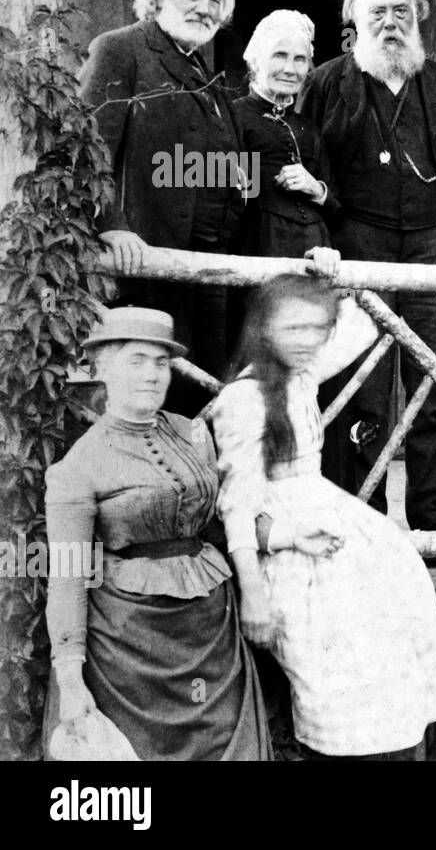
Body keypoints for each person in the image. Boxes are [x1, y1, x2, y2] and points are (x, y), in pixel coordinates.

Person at [211, 258, 436, 759]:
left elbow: (362, 322)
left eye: (315, 328)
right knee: (336, 663)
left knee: (390, 624)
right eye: (292, 328)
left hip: (329, 513)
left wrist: (334, 276)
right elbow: (236, 506)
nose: (306, 339)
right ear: (263, 329)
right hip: (285, 538)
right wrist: (253, 593)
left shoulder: (301, 374)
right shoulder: (247, 397)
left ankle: (393, 745)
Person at [299, 0, 436, 531]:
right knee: (362, 395)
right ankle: (362, 526)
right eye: (377, 14)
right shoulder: (326, 83)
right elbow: (306, 176)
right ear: (356, 24)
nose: (390, 24)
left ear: (416, 20)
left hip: (434, 252)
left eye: (401, 12)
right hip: (357, 247)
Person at [43, 307, 269, 760]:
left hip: (211, 637)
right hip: (129, 650)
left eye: (161, 363)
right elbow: (67, 578)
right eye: (136, 360)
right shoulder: (77, 469)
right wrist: (69, 679)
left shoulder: (194, 434)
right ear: (101, 367)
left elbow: (223, 521)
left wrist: (285, 534)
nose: (151, 374)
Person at [79, 0, 250, 414]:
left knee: (200, 397)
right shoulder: (120, 49)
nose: (205, 7)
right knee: (147, 398)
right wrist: (112, 224)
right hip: (146, 262)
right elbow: (86, 152)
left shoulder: (206, 72)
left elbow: (230, 170)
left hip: (205, 267)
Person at [230, 10, 339, 261]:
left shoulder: (309, 128)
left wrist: (315, 188)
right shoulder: (233, 117)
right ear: (256, 61)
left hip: (317, 252)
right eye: (280, 56)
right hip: (260, 250)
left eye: (300, 59)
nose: (290, 69)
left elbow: (337, 208)